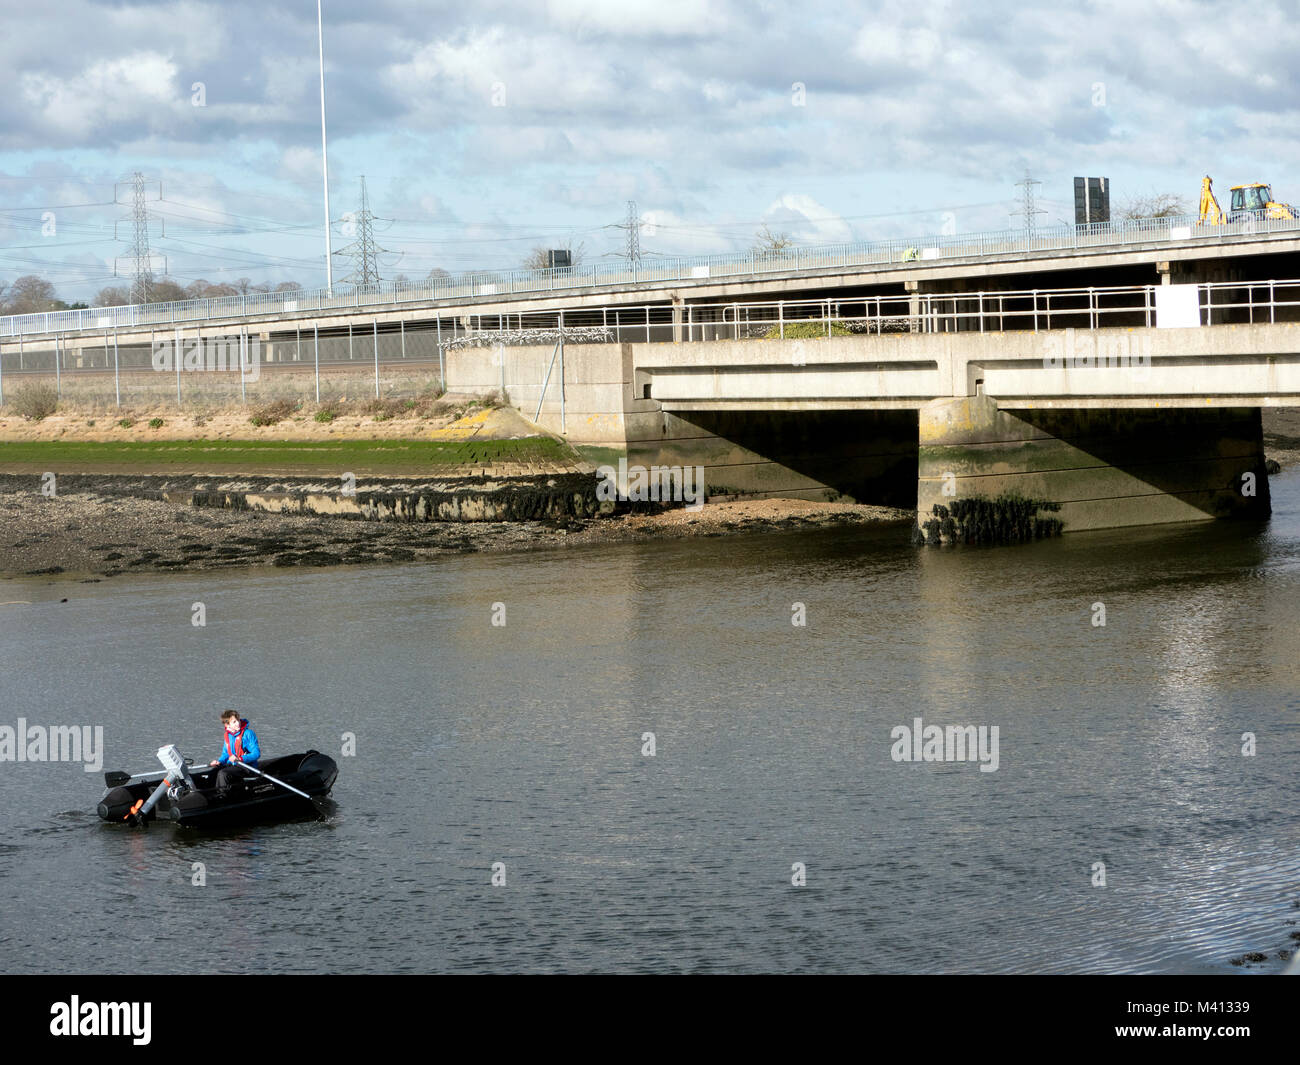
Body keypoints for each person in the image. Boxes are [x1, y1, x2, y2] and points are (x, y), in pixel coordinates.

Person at [209, 710, 261, 798]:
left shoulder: (248, 734)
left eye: (238, 720)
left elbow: (256, 754)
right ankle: (211, 795)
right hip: (234, 765)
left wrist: (240, 758)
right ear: (227, 725)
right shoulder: (227, 735)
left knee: (223, 774)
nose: (238, 723)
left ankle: (223, 797)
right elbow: (226, 754)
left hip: (248, 767)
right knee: (213, 772)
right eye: (234, 722)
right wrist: (219, 762)